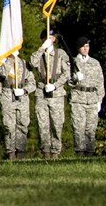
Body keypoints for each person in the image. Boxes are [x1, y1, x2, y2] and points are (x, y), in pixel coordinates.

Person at [28, 28, 70, 159]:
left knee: (57, 124)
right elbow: (32, 63)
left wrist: (56, 85)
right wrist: (42, 48)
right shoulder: (38, 54)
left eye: (50, 38)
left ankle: (56, 151)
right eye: (45, 38)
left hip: (56, 94)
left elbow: (66, 73)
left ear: (54, 39)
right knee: (43, 124)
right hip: (41, 93)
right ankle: (45, 152)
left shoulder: (61, 54)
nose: (48, 40)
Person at [68, 36, 105, 156]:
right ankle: (80, 153)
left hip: (93, 99)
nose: (85, 48)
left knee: (91, 129)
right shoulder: (72, 62)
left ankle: (90, 153)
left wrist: (100, 100)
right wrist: (74, 78)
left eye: (87, 46)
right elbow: (67, 81)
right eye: (83, 46)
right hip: (78, 99)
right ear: (78, 48)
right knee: (78, 128)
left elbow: (100, 82)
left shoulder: (95, 63)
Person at [0, 53, 36, 159]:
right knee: (9, 126)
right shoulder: (1, 63)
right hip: (7, 96)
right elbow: (3, 73)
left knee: (23, 125)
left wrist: (24, 90)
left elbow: (32, 83)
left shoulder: (24, 64)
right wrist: (11, 59)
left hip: (22, 98)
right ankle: (11, 153)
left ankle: (21, 153)